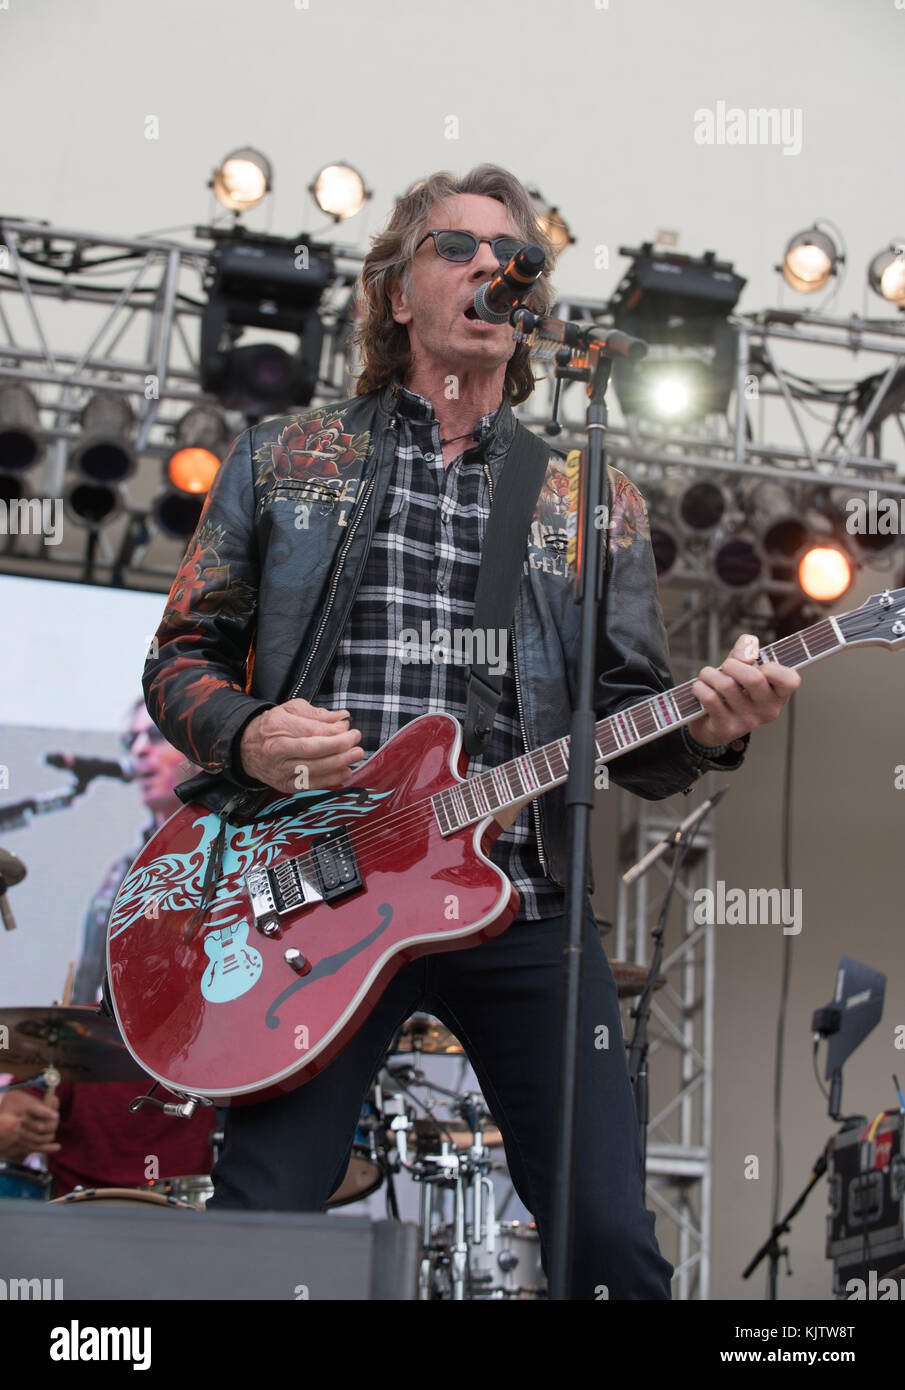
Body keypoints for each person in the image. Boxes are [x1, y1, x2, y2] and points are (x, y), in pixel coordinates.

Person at [142, 163, 800, 1298]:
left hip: (521, 901)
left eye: (516, 256)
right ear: (398, 293)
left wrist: (716, 726)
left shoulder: (590, 498)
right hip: (322, 883)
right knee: (257, 1232)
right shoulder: (287, 459)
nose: (493, 268)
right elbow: (180, 661)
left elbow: (631, 728)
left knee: (608, 1244)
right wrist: (248, 734)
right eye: (458, 247)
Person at [0, 701, 216, 1194]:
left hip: (196, 1126)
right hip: (96, 1125)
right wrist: (26, 1094)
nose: (138, 754)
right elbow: (77, 1008)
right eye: (130, 742)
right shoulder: (121, 874)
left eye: (155, 738)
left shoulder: (247, 855)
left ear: (206, 753)